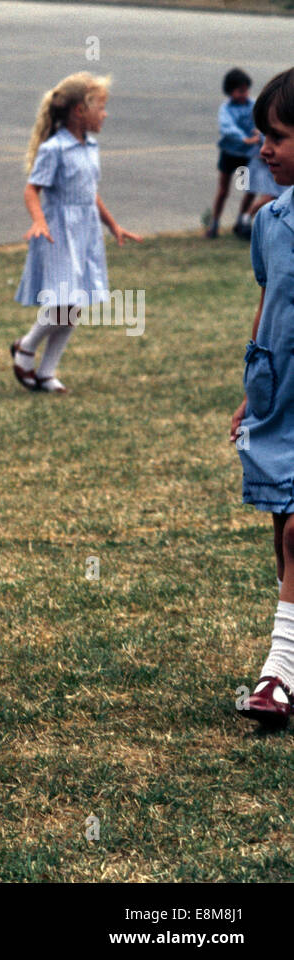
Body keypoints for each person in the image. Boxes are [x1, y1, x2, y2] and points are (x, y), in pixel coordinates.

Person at [9, 72, 141, 394]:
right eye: (101, 107)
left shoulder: (91, 147)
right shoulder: (54, 149)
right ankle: (26, 348)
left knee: (74, 305)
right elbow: (31, 190)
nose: (105, 114)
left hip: (86, 232)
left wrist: (112, 225)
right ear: (80, 111)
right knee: (63, 303)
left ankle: (46, 371)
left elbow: (89, 193)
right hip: (59, 233)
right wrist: (39, 221)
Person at [231, 68, 294, 729]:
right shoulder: (270, 221)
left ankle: (277, 673)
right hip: (279, 397)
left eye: (276, 136)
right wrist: (251, 393)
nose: (263, 149)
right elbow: (266, 302)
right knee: (285, 528)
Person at [207, 68, 262, 239]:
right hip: (230, 154)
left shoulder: (252, 105)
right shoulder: (226, 109)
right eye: (240, 91)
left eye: (246, 90)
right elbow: (226, 127)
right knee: (224, 190)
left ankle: (241, 222)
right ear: (230, 92)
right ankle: (214, 224)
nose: (244, 94)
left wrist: (259, 133)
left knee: (248, 189)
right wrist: (243, 138)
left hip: (246, 157)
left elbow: (262, 120)